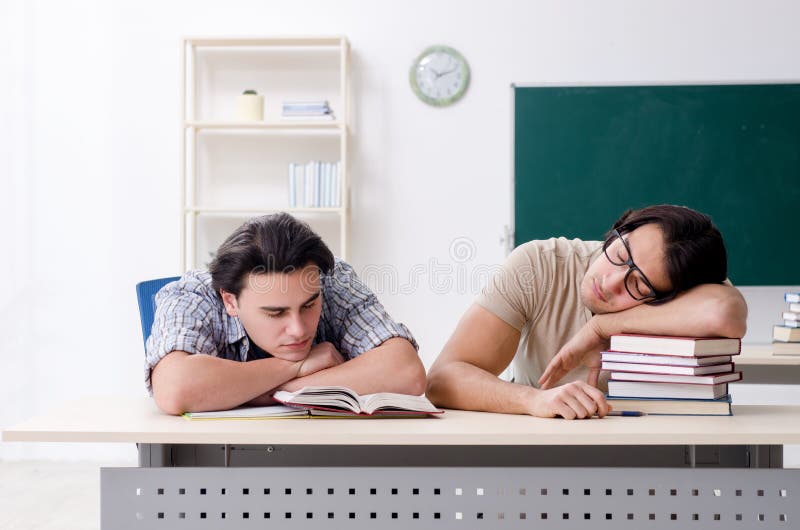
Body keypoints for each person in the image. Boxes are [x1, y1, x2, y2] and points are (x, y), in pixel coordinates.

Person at [426, 204, 747, 419]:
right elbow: (442, 379)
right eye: (621, 253)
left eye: (638, 285)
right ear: (620, 229)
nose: (609, 282)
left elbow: (724, 313)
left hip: (648, 463)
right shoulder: (541, 264)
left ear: (666, 297)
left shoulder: (686, 292)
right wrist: (533, 400)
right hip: (538, 457)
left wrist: (602, 327)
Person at [146, 213, 425, 415]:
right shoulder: (192, 295)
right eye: (275, 313)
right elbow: (175, 388)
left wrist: (270, 390)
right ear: (230, 301)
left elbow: (405, 371)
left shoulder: (332, 279)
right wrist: (295, 366)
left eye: (308, 305)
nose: (299, 329)